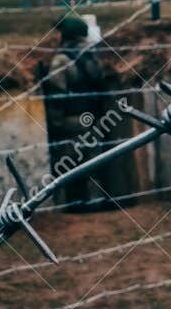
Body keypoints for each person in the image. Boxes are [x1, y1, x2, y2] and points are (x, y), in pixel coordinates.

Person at [43, 15, 134, 210]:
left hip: (71, 121)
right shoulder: (92, 56)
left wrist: (55, 124)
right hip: (93, 119)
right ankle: (99, 201)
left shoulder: (61, 60)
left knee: (71, 163)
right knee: (92, 160)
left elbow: (57, 95)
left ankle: (78, 205)